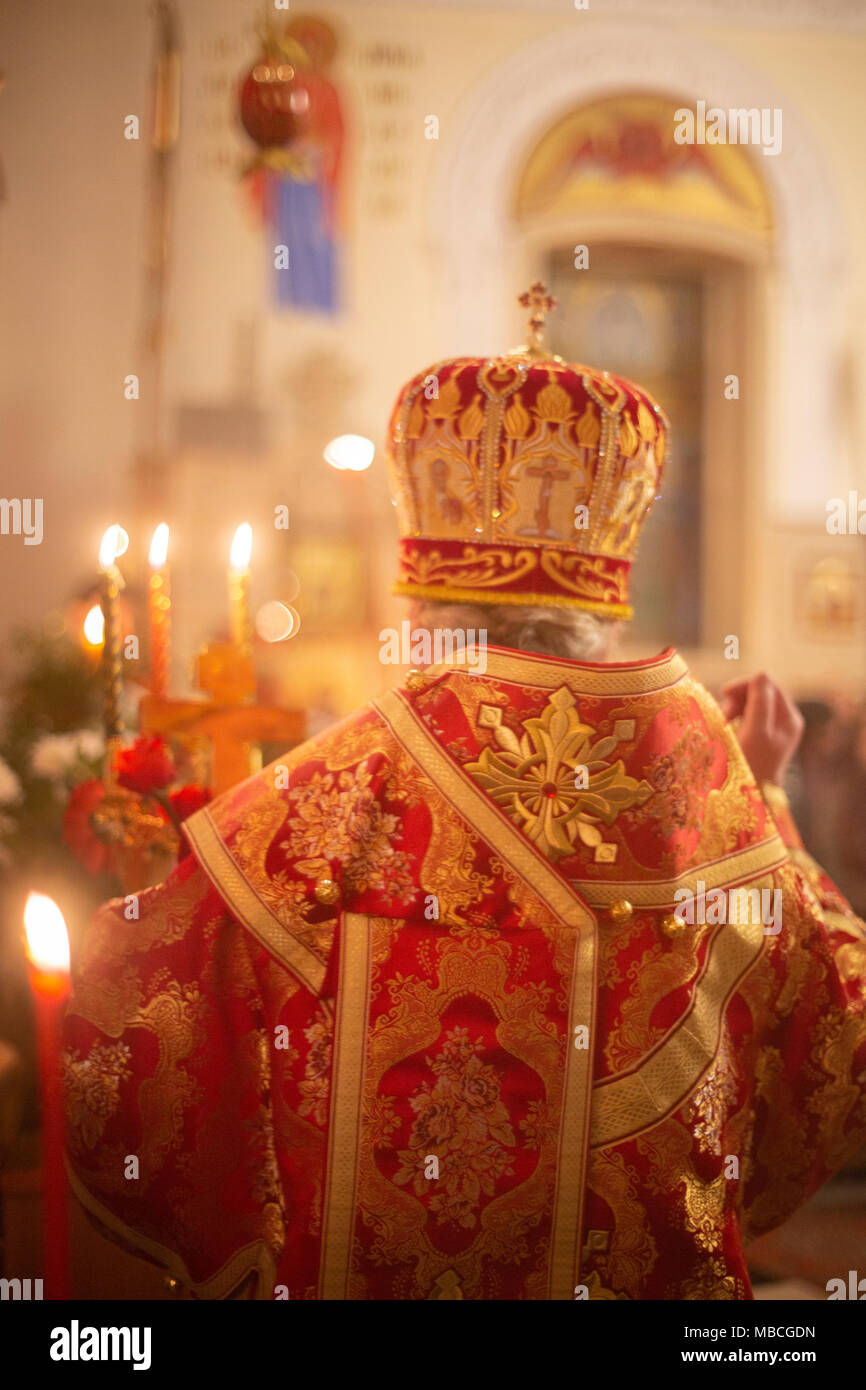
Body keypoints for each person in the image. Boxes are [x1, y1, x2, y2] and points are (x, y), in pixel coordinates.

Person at [62, 286, 866, 1300]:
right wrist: (773, 798)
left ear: (419, 591)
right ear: (604, 591)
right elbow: (835, 1038)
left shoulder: (339, 784)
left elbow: (133, 1013)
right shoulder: (710, 785)